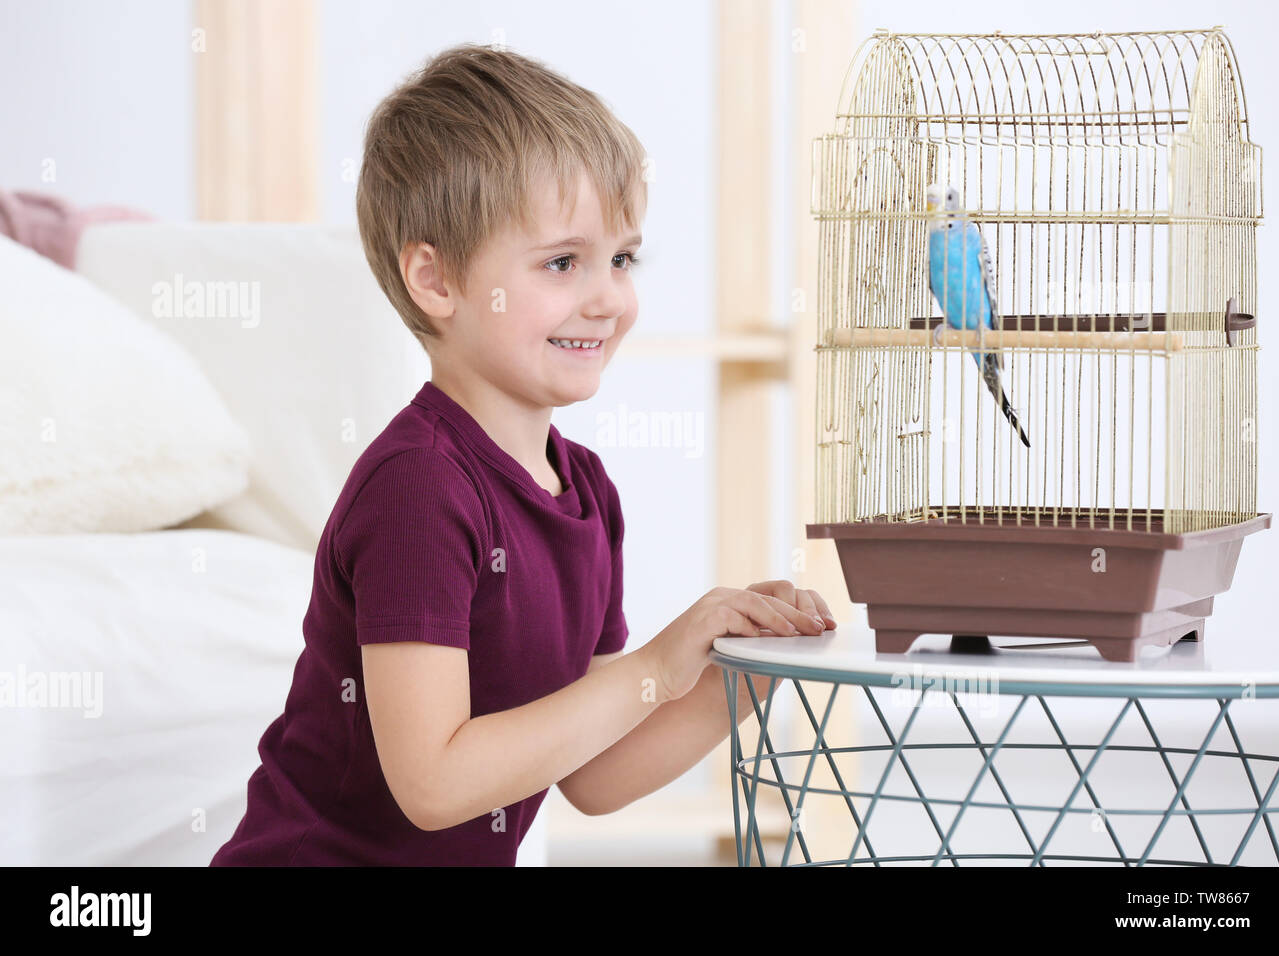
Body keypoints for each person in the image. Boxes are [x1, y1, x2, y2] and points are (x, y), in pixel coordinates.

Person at [211, 42, 836, 866]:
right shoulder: (418, 490)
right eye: (562, 262)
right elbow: (433, 782)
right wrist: (653, 660)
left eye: (621, 258)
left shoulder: (585, 493)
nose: (608, 296)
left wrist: (740, 672)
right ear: (436, 282)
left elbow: (594, 775)